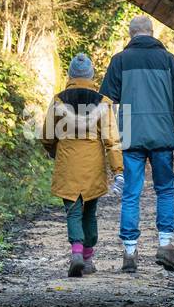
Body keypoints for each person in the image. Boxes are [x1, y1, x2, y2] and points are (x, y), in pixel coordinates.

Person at [99, 15, 174, 273]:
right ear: (152, 33)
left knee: (131, 193)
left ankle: (129, 253)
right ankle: (165, 246)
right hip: (163, 135)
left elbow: (106, 102)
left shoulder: (119, 61)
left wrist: (107, 138)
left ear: (131, 35)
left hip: (129, 134)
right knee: (165, 190)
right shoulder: (169, 60)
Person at [41, 53, 124, 277]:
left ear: (70, 75)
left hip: (68, 163)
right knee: (90, 212)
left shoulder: (58, 100)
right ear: (91, 75)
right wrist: (118, 171)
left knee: (73, 211)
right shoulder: (103, 103)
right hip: (92, 166)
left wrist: (52, 152)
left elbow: (48, 135)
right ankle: (87, 258)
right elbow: (112, 141)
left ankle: (76, 252)